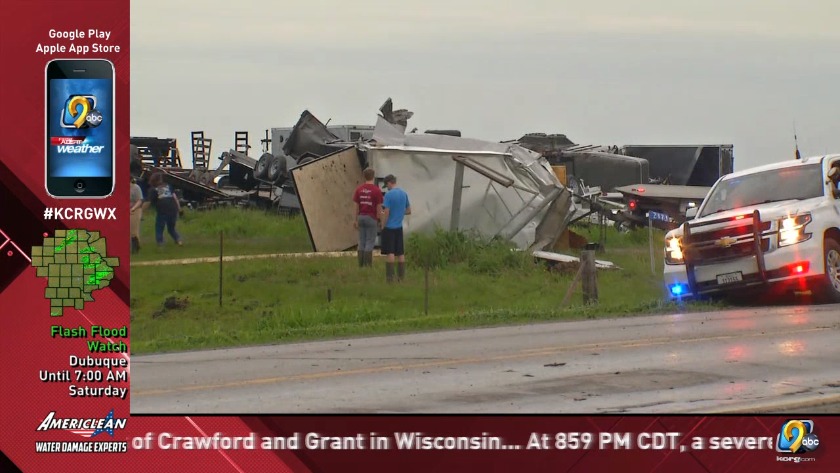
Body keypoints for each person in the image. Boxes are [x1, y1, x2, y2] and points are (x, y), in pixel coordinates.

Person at [380, 174, 411, 282]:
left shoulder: (388, 195)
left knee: (390, 252)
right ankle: (401, 278)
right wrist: (399, 212)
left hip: (389, 227)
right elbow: (408, 210)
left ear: (389, 183)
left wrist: (383, 224)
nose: (387, 187)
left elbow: (386, 212)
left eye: (386, 185)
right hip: (399, 227)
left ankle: (390, 278)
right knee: (400, 253)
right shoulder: (404, 194)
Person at [352, 167, 383, 267]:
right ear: (373, 177)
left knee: (361, 241)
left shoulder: (359, 189)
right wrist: (380, 220)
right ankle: (367, 265)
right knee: (370, 241)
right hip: (371, 218)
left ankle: (360, 264)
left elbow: (356, 206)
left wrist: (355, 220)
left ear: (364, 176)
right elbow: (379, 207)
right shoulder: (376, 190)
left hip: (361, 217)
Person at [142, 172, 183, 246]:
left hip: (162, 209)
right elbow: (175, 198)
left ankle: (160, 243)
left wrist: (141, 212)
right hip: (173, 207)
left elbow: (148, 202)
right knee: (171, 228)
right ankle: (179, 240)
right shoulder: (168, 186)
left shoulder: (153, 190)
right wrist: (179, 209)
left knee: (159, 227)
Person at [129, 176, 144, 254]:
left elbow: (139, 200)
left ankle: (135, 248)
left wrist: (133, 208)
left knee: (133, 230)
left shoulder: (136, 188)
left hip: (135, 210)